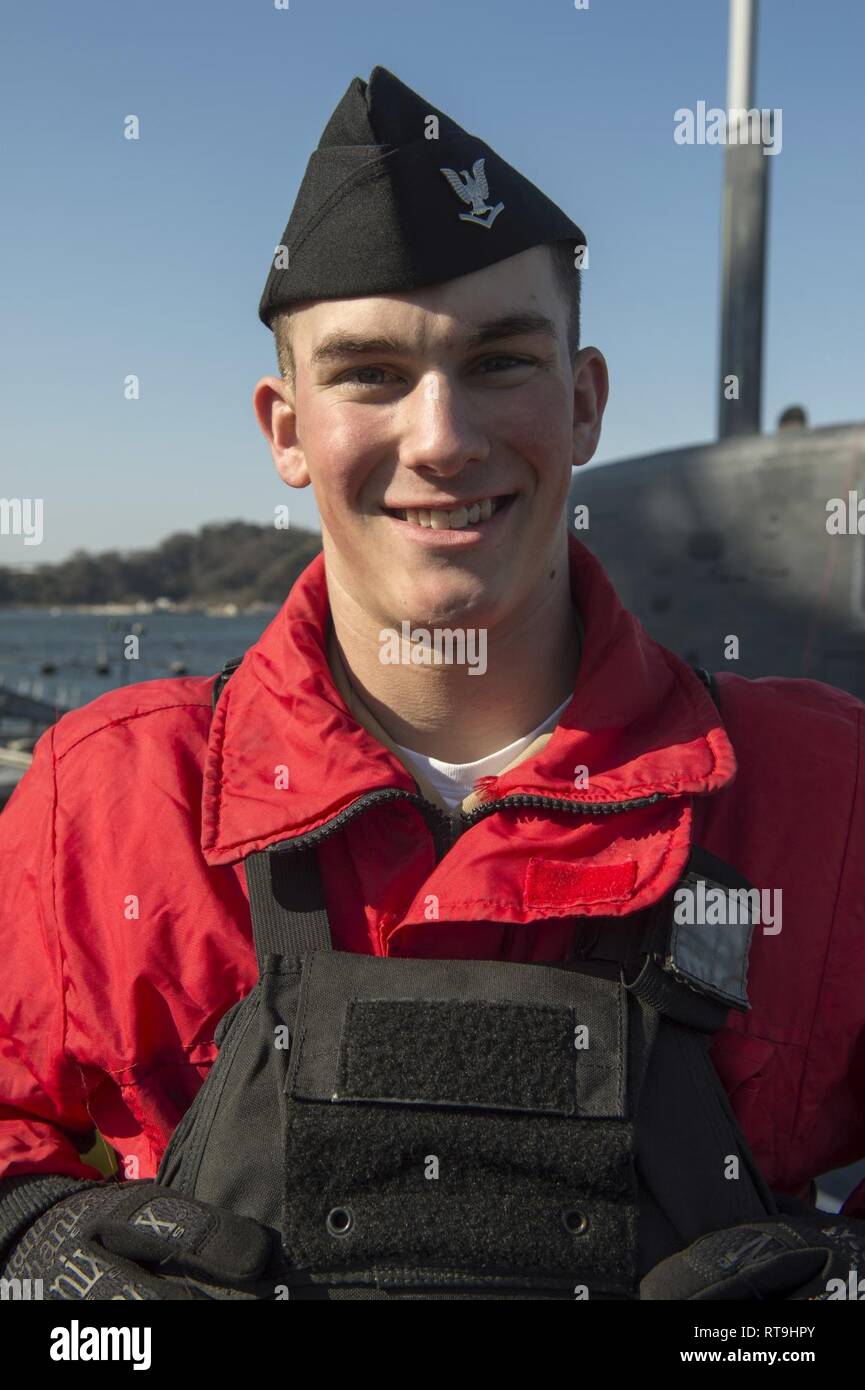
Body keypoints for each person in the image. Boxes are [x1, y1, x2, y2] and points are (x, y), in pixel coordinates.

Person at [1, 65, 864, 1303]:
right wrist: (30, 1245)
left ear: (583, 402)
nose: (443, 436)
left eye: (501, 361)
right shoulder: (110, 800)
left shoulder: (827, 797)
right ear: (285, 429)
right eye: (368, 373)